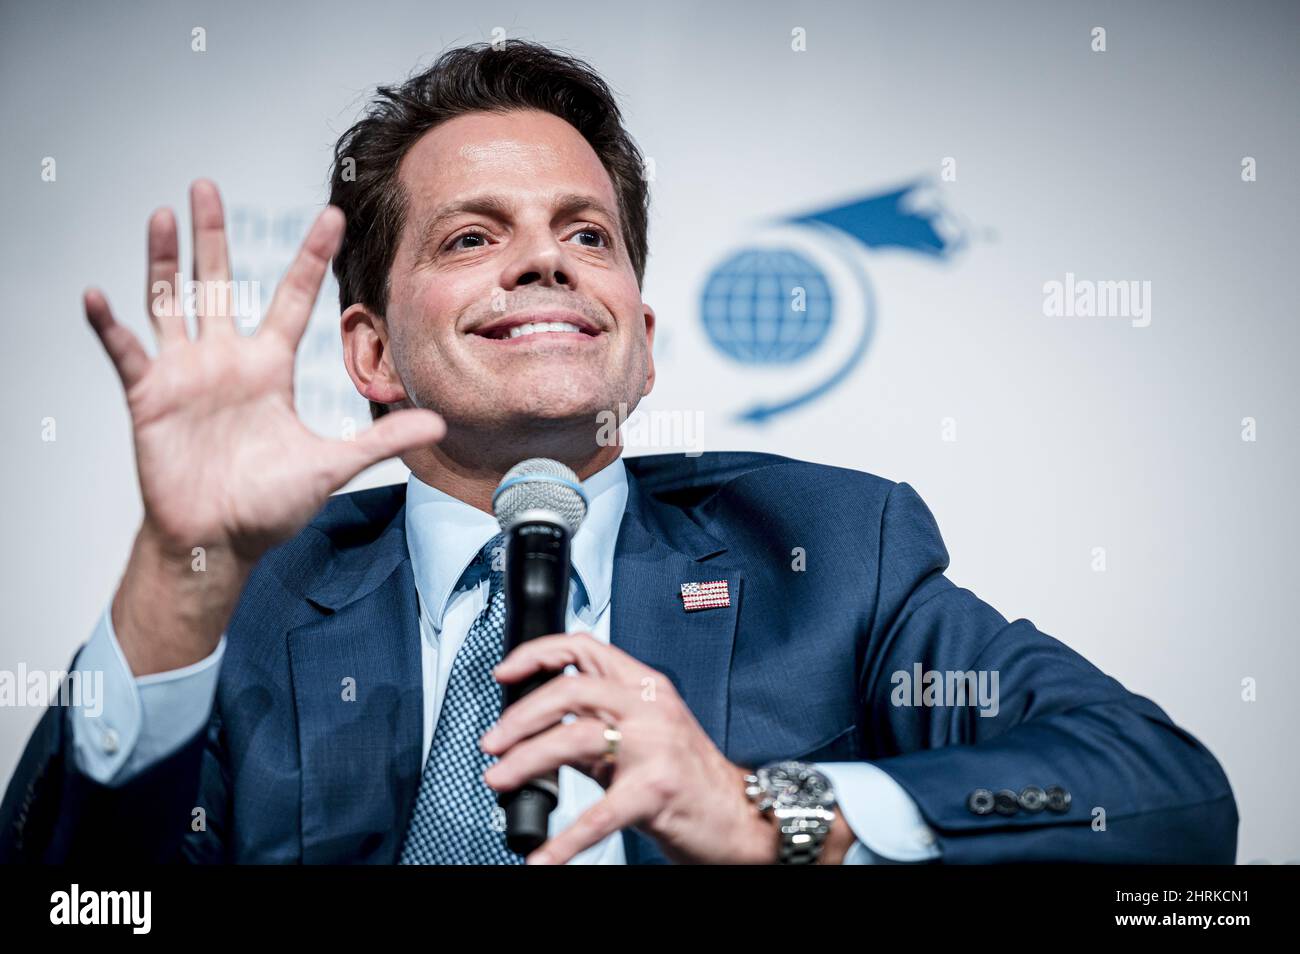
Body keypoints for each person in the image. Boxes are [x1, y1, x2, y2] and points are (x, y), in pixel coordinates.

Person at [0, 40, 1237, 865]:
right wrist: (179, 573)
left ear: (637, 345)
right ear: (370, 356)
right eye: (472, 236)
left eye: (585, 234)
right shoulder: (248, 599)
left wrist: (773, 818)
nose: (544, 260)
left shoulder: (830, 558)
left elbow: (1164, 795)